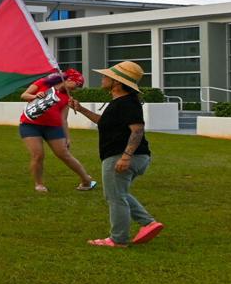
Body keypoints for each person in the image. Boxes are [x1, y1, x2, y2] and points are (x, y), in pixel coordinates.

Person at [67, 61, 164, 248]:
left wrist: (126, 157)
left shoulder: (127, 103)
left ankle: (118, 239)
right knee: (119, 193)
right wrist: (81, 109)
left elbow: (137, 130)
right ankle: (148, 223)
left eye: (106, 77)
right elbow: (103, 122)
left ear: (117, 82)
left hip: (122, 155)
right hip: (127, 155)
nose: (102, 79)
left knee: (114, 197)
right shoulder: (119, 102)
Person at [19, 68, 96, 193]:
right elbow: (24, 95)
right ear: (68, 80)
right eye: (76, 85)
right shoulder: (43, 83)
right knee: (38, 155)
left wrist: (67, 137)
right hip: (30, 124)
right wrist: (35, 96)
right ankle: (39, 184)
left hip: (53, 127)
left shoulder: (67, 97)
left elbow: (63, 119)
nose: (75, 89)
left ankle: (86, 179)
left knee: (64, 154)